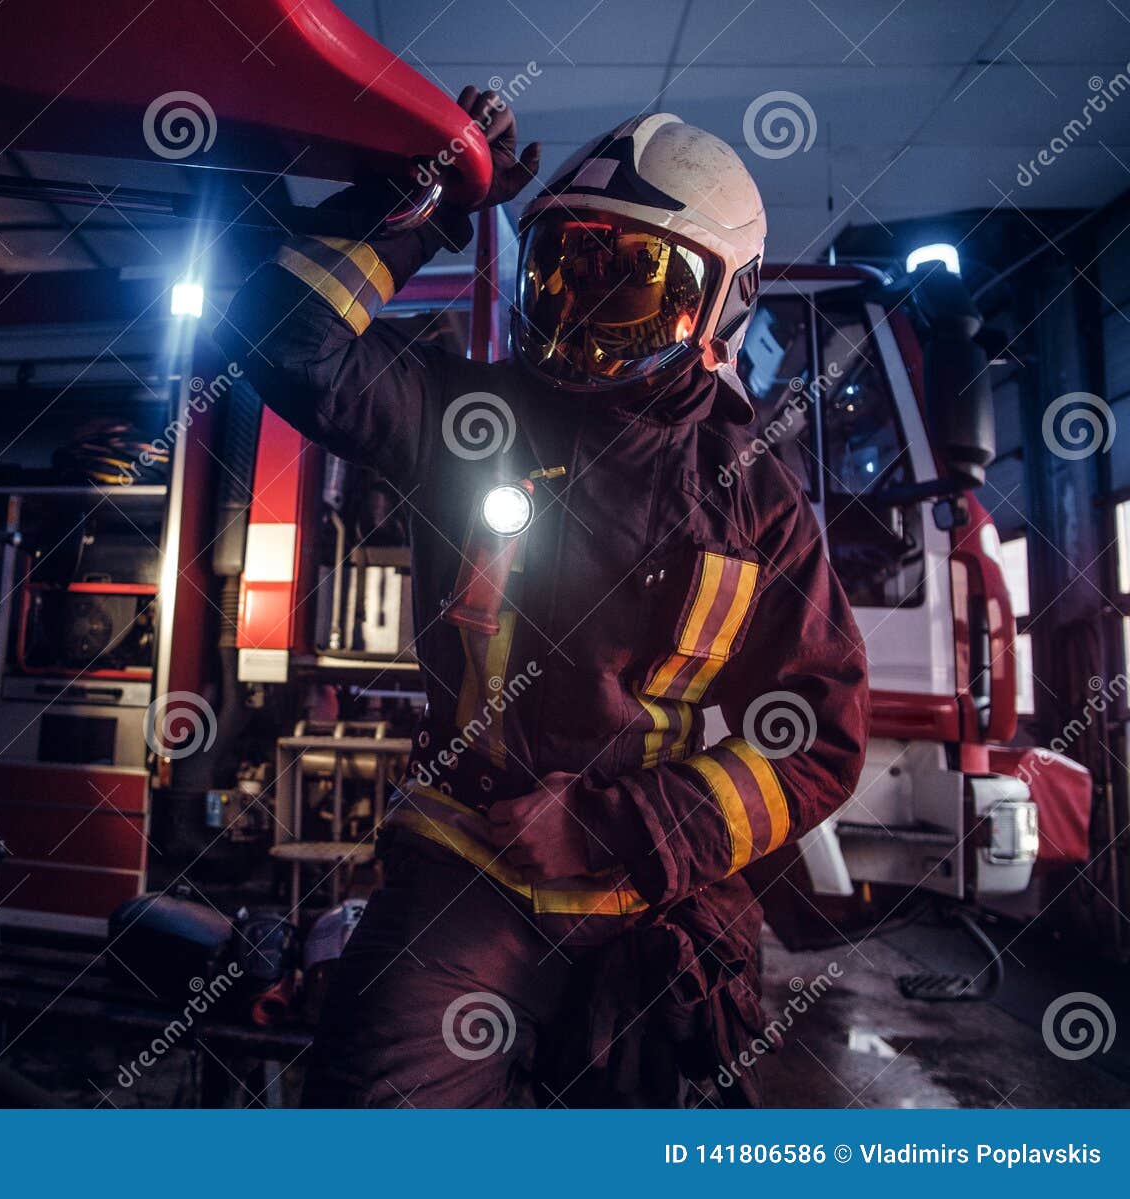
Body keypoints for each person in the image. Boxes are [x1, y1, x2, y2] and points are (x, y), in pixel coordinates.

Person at [217, 88, 868, 1107]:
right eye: (566, 270)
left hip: (654, 897)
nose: (587, 315)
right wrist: (431, 201)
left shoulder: (759, 508)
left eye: (633, 284)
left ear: (720, 311)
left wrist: (618, 829)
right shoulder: (466, 412)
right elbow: (286, 342)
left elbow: (817, 740)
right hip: (461, 873)